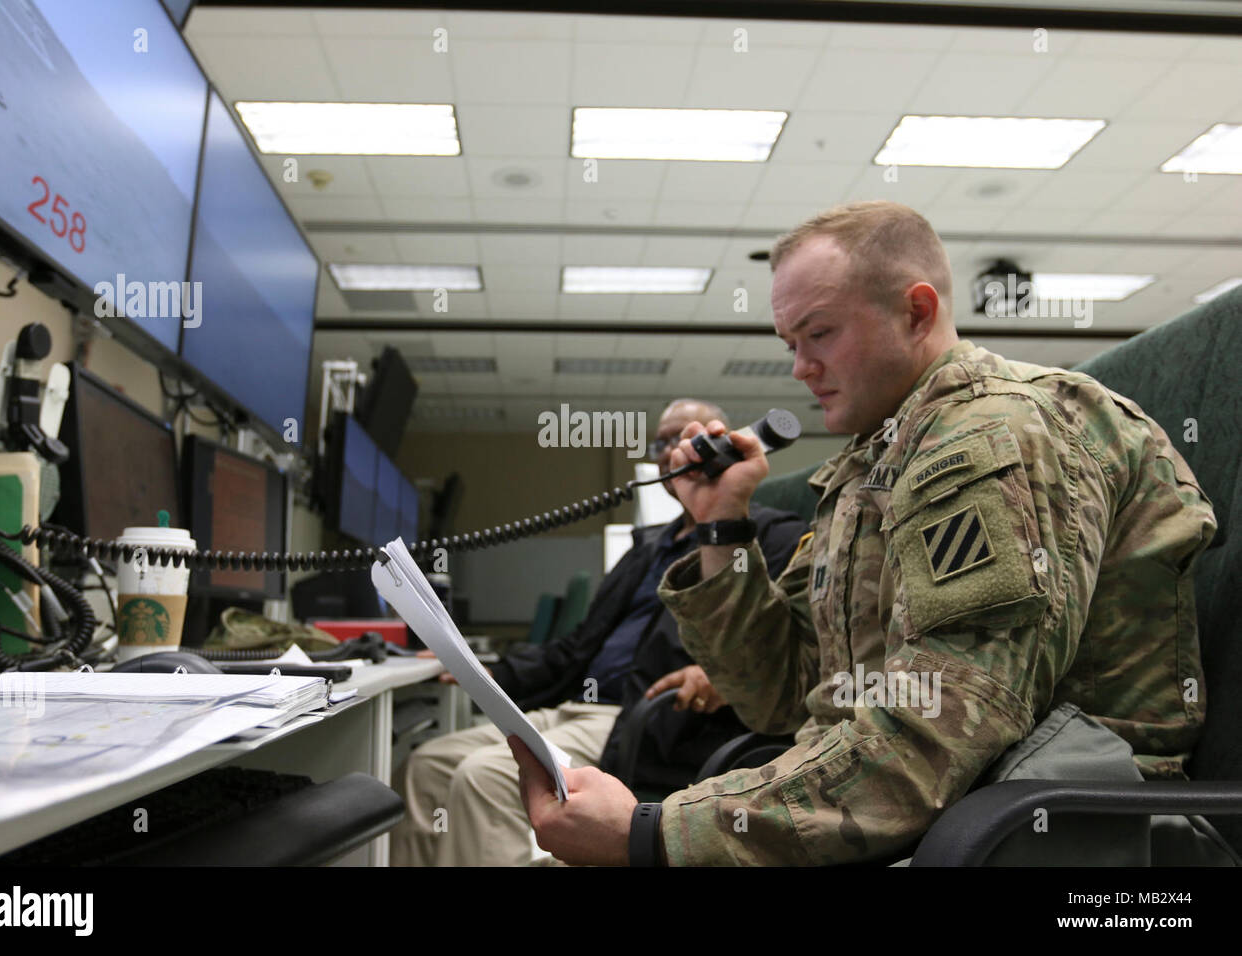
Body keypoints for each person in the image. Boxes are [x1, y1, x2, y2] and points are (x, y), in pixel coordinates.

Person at [509, 200, 1216, 866]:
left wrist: (656, 836)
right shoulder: (877, 461)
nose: (800, 367)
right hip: (926, 816)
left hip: (1036, 829)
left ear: (916, 311)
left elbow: (934, 741)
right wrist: (719, 523)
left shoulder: (984, 443)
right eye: (791, 342)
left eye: (820, 333)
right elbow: (781, 695)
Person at [389, 398, 808, 866]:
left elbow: (789, 643)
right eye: (662, 442)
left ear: (725, 444)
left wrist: (719, 673)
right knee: (424, 765)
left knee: (483, 776)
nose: (674, 451)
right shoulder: (645, 549)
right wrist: (484, 670)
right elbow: (575, 649)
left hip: (644, 716)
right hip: (575, 705)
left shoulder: (770, 533)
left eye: (689, 438)